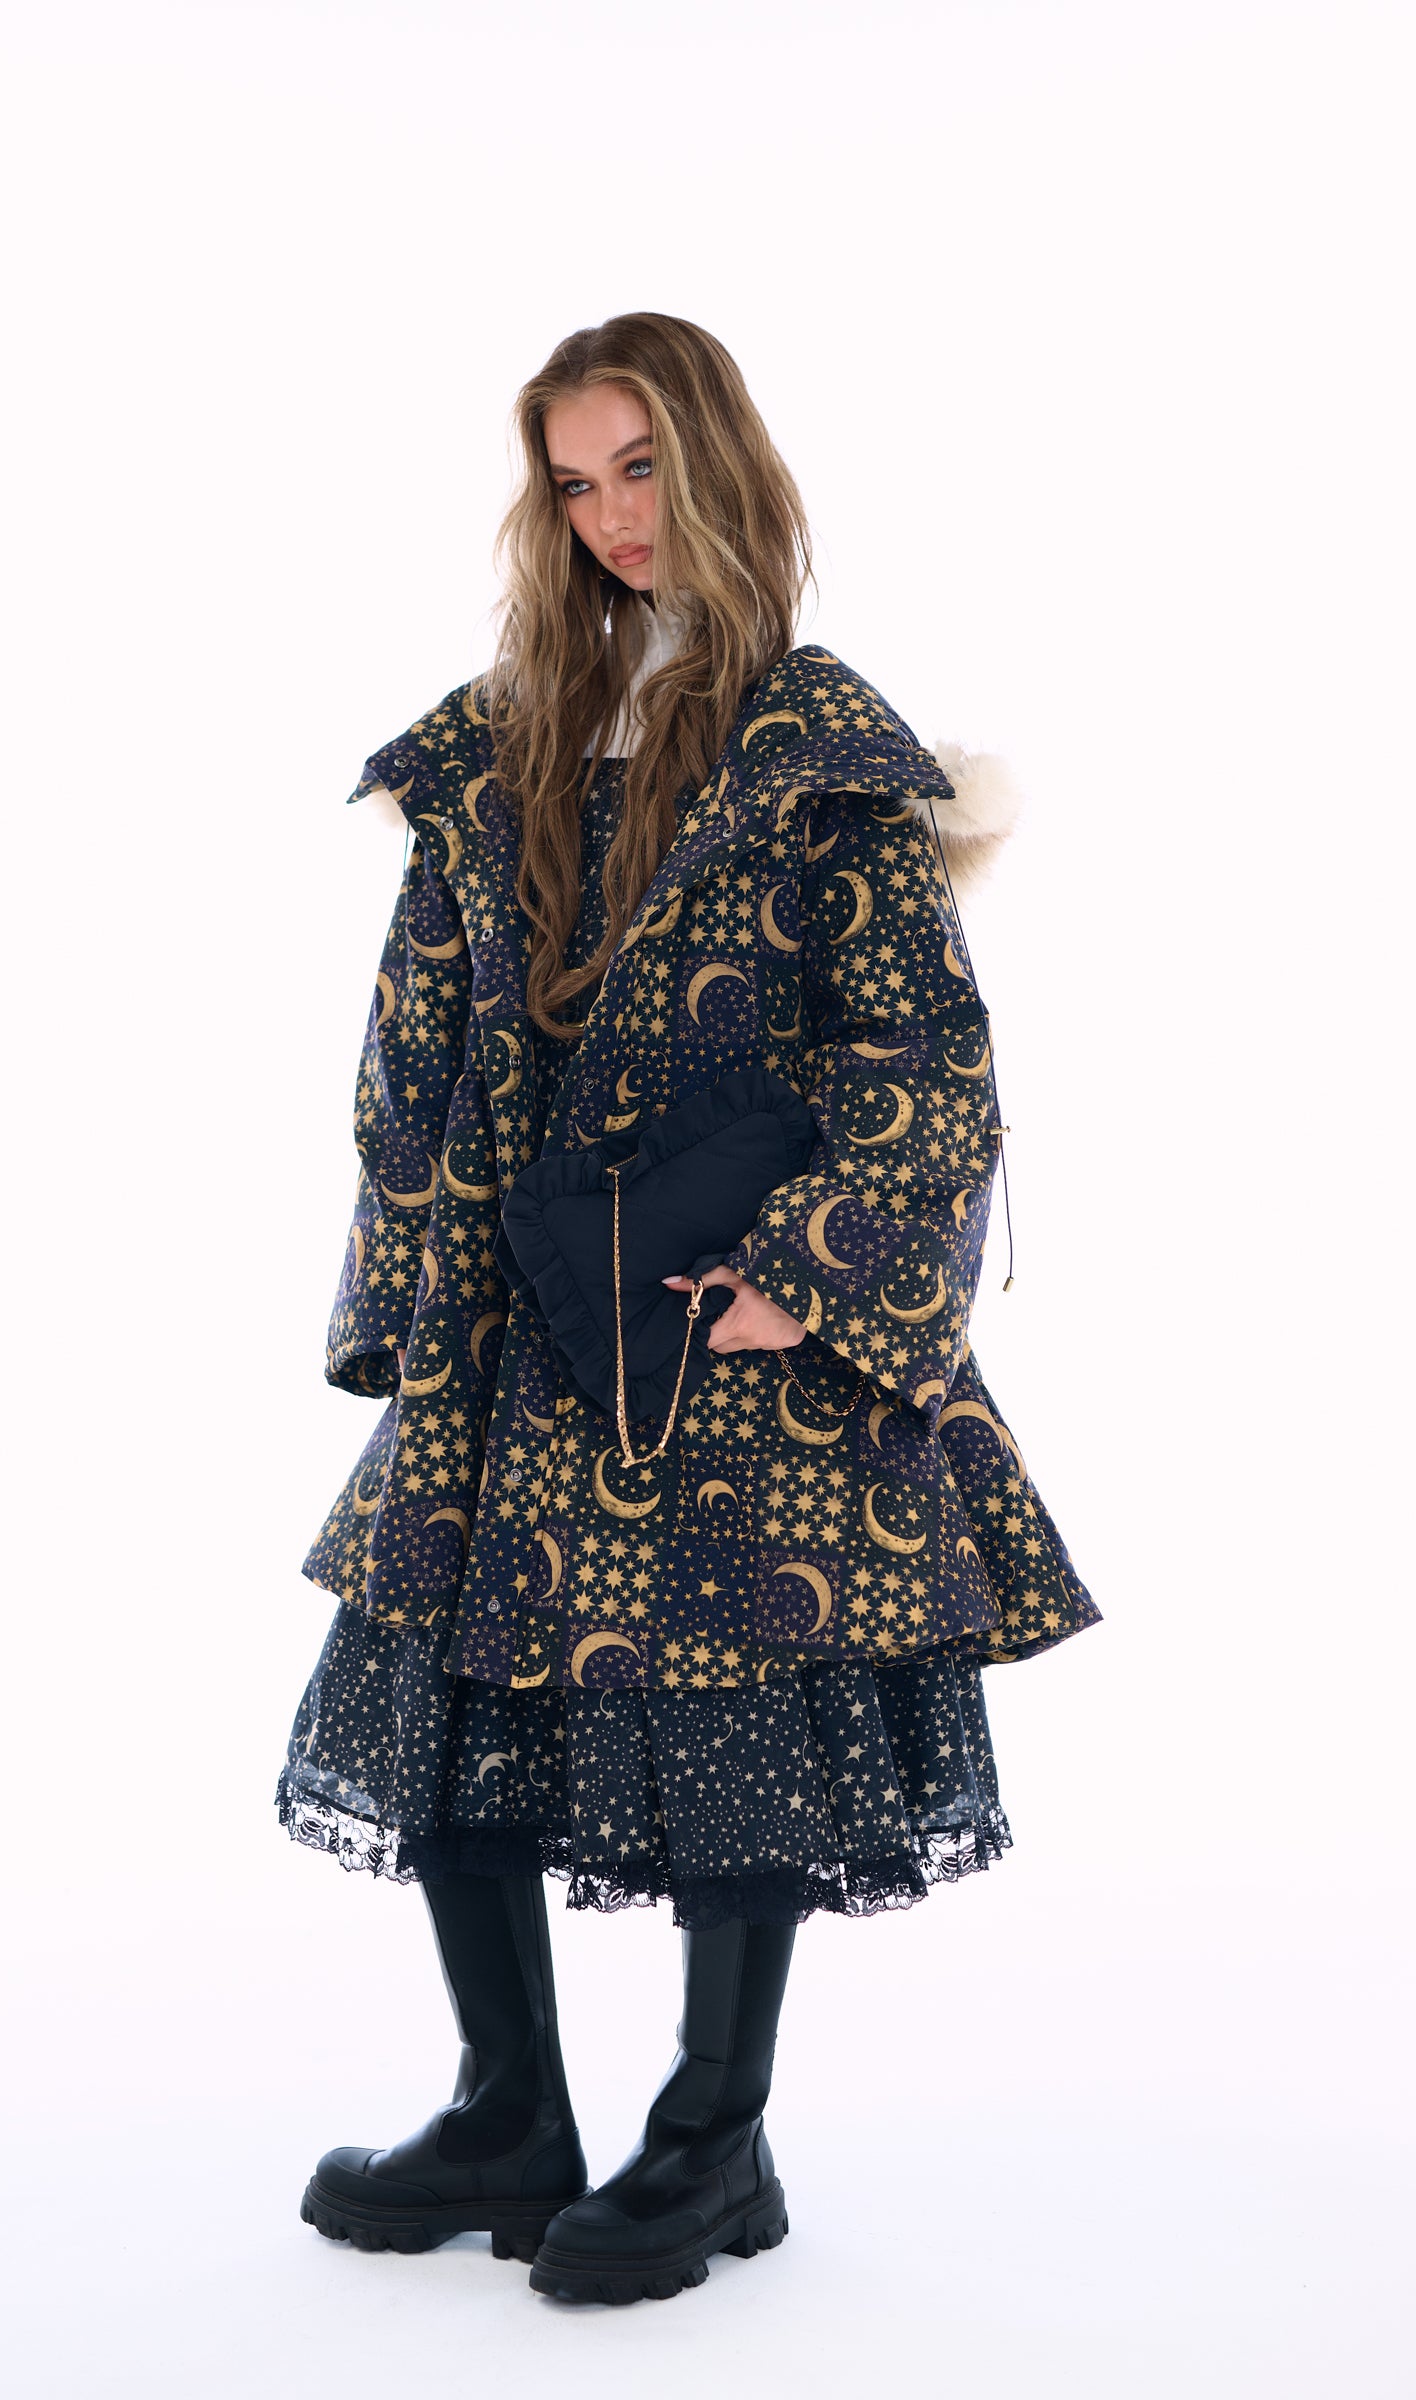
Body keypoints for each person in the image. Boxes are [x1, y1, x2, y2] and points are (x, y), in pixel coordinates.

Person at [275, 311, 1100, 2307]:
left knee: (735, 1714)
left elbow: (924, 1053)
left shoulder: (820, 751)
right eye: (572, 483)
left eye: (637, 467)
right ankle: (508, 2113)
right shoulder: (493, 750)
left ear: (715, 464)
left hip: (729, 1323)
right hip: (513, 1315)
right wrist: (411, 1296)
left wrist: (804, 1283)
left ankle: (714, 2139)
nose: (610, 517)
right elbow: (408, 1052)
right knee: (456, 1697)